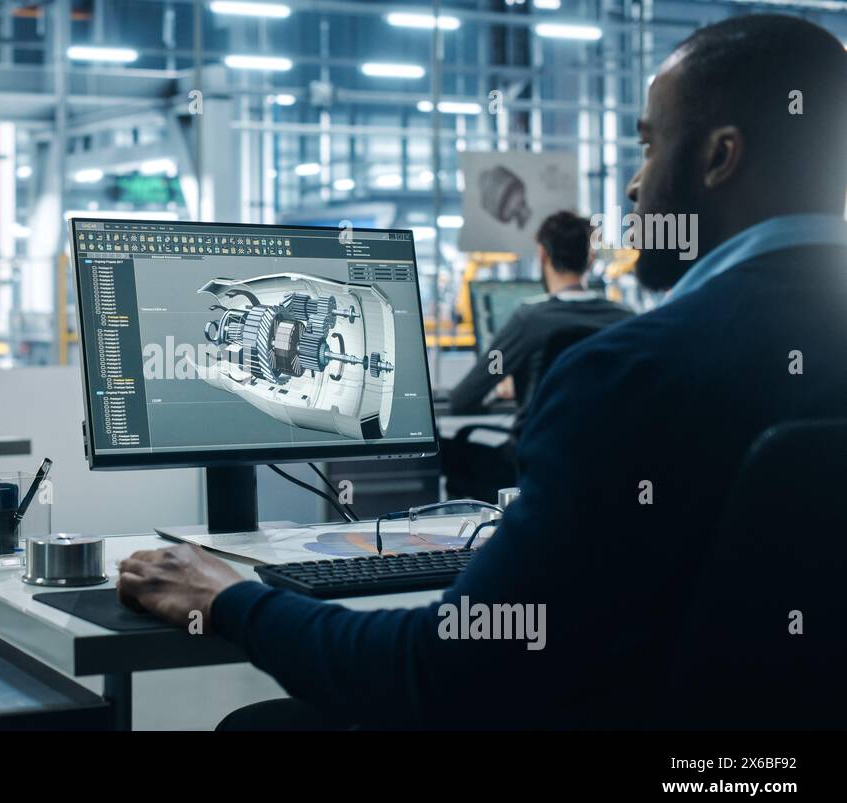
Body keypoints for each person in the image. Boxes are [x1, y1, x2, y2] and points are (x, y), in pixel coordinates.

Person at [116, 14, 847, 729]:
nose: (633, 185)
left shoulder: (631, 376)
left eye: (649, 147)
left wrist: (229, 599)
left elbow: (438, 676)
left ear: (720, 157)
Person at [448, 211, 635, 416]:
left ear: (543, 254)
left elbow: (465, 395)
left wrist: (502, 375)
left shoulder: (529, 320)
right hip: (613, 446)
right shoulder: (626, 320)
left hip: (543, 445)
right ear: (590, 259)